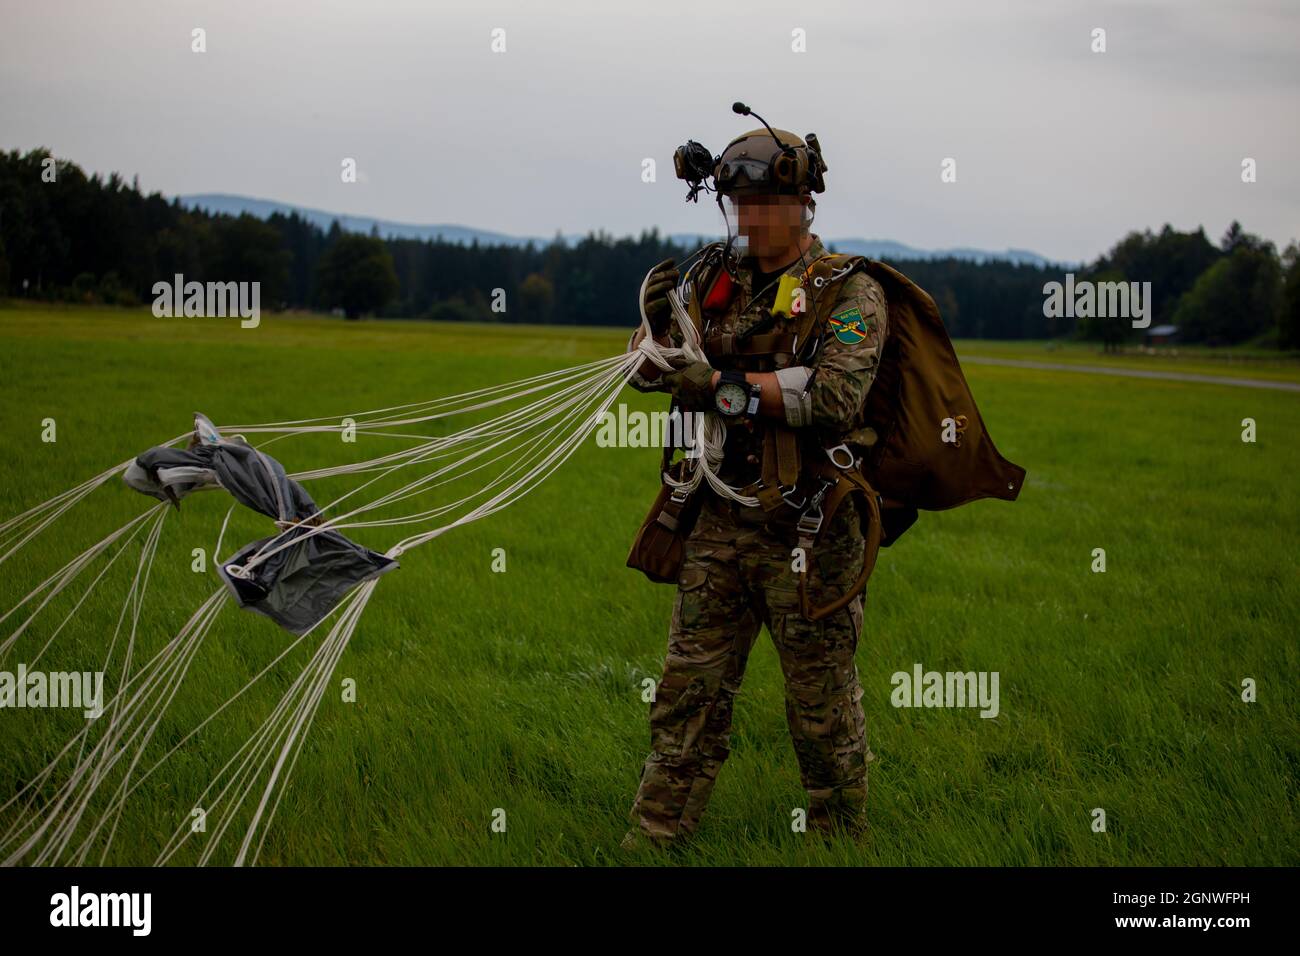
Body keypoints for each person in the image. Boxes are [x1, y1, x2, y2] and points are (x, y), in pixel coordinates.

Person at [621, 122, 890, 849]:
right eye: (740, 204)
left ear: (804, 201)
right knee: (687, 694)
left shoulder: (850, 293)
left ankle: (839, 841)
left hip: (811, 532)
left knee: (820, 707)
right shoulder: (711, 278)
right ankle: (654, 838)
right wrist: (654, 345)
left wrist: (719, 385)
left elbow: (832, 397)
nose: (751, 219)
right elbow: (653, 368)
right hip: (715, 521)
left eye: (768, 202)